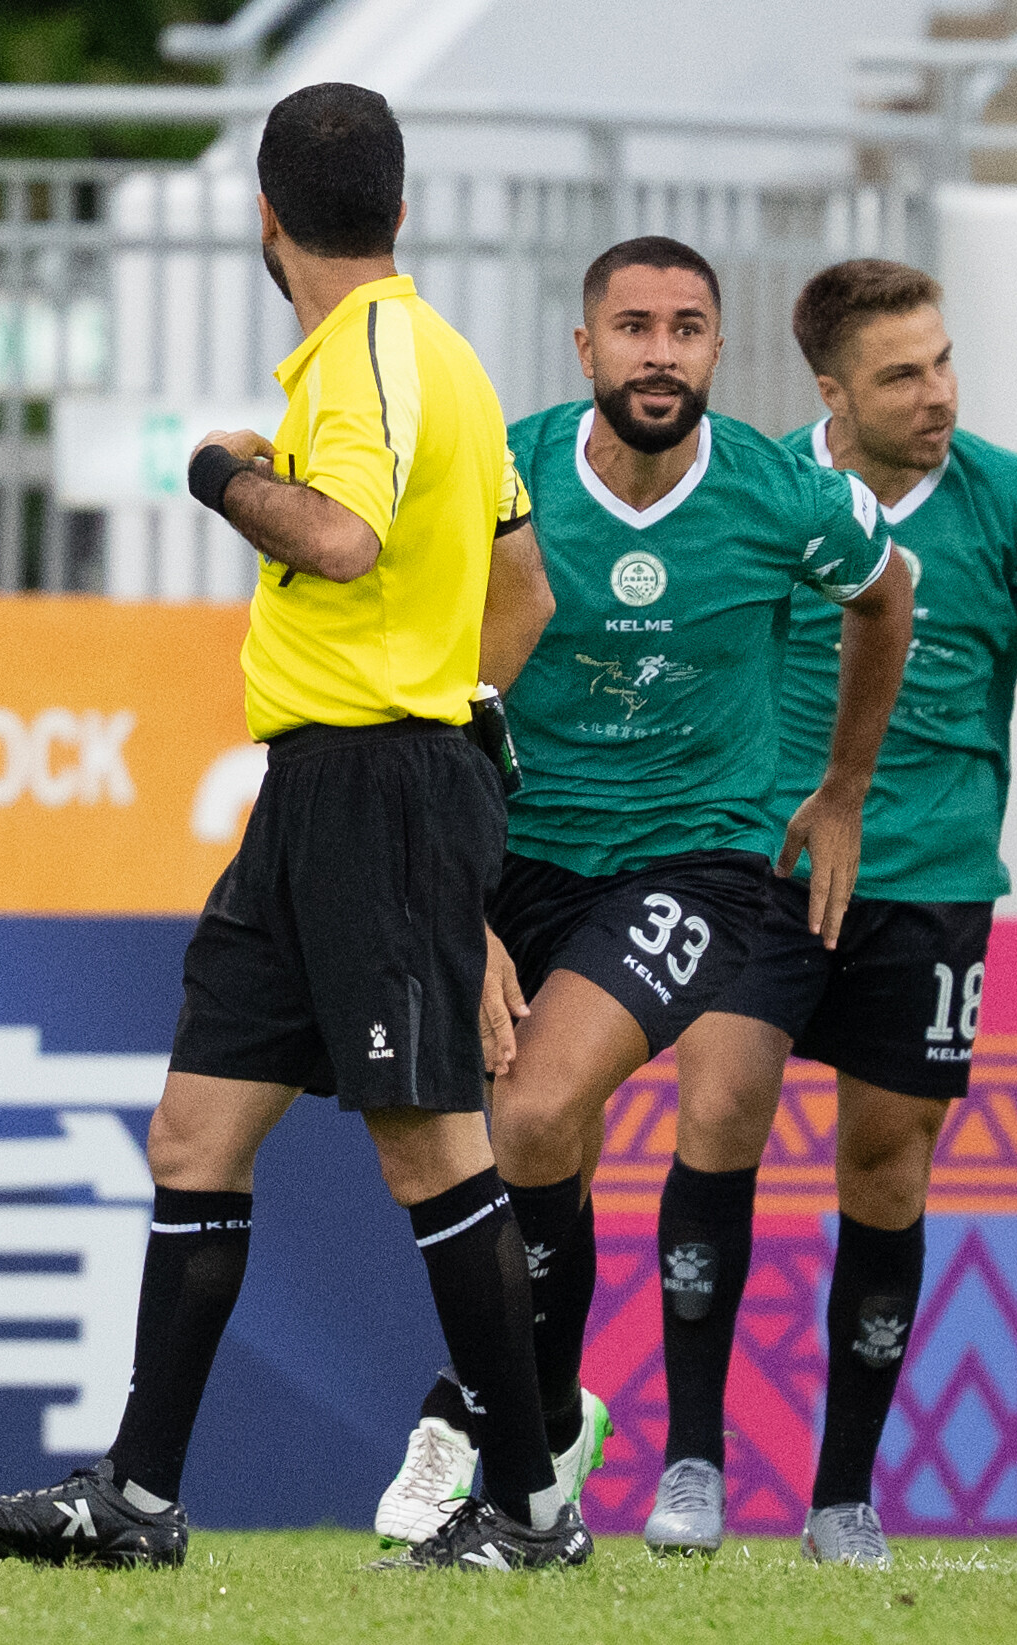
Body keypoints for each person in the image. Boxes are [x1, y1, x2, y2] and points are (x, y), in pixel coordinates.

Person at [0, 83, 584, 1572]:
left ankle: (531, 1503)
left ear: (267, 215)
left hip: (376, 788)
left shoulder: (361, 360)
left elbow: (343, 538)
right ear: (403, 210)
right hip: (327, 789)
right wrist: (461, 697)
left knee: (428, 1149)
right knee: (194, 1130)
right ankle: (141, 1501)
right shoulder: (442, 357)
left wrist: (220, 469)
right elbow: (527, 589)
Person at [638, 258, 1017, 1565]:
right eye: (901, 375)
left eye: (942, 362)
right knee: (720, 1109)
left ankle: (841, 1495)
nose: (937, 392)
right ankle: (694, 1464)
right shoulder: (763, 489)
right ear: (833, 391)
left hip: (933, 882)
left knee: (886, 1165)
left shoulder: (1013, 503)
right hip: (766, 870)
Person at [367, 236, 912, 1548]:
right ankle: (543, 1420)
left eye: (686, 328)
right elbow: (431, 676)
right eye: (633, 327)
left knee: (542, 1105)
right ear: (586, 349)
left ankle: (515, 1439)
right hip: (516, 856)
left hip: (693, 864)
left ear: (720, 351)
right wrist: (457, 900)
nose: (658, 352)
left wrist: (839, 788)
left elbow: (890, 598)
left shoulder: (788, 497)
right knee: (515, 1139)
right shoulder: (508, 474)